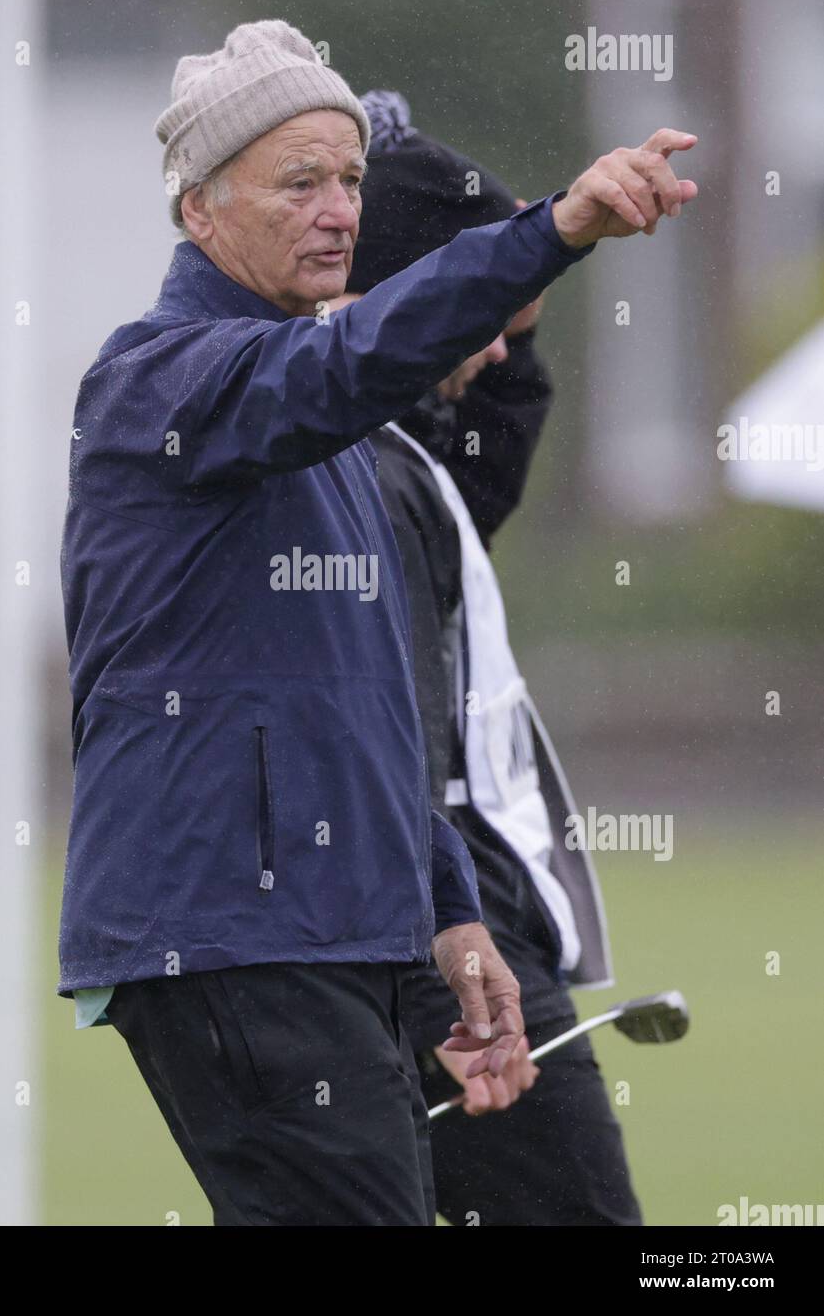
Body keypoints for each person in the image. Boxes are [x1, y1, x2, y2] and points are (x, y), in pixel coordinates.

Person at [56, 18, 698, 1225]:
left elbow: (376, 710)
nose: (339, 208)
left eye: (349, 179)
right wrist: (551, 231)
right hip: (231, 936)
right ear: (196, 207)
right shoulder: (163, 378)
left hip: (325, 933)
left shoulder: (339, 434)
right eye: (298, 181)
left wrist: (450, 921)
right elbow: (351, 357)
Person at [337, 89, 642, 1225]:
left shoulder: (400, 450)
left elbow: (498, 418)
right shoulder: (364, 467)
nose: (500, 336)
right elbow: (383, 749)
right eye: (473, 301)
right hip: (445, 922)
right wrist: (448, 966)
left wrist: (512, 239)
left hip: (439, 914)